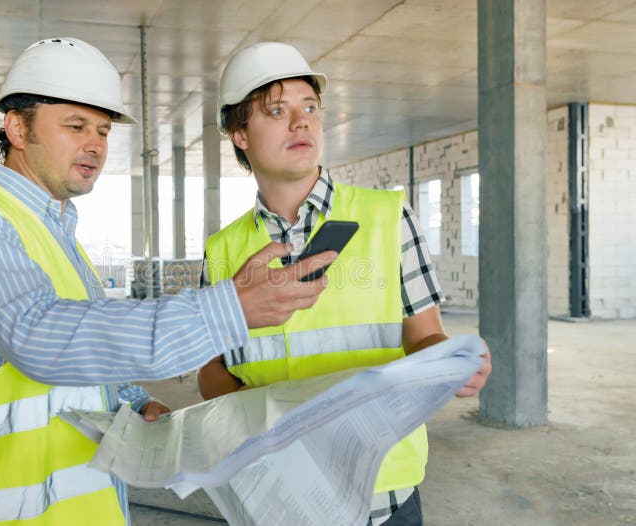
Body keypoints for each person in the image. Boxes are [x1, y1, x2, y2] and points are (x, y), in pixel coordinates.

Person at [0, 37, 336, 526]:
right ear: (16, 128)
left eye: (103, 131)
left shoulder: (56, 233)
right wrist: (226, 309)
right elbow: (39, 337)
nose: (95, 145)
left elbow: (84, 349)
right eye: (76, 126)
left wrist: (131, 401)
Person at [197, 41, 492, 526]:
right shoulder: (222, 250)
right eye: (277, 110)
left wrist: (449, 363)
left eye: (309, 107)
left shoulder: (387, 217)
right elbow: (211, 372)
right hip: (275, 491)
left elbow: (424, 336)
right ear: (239, 132)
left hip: (381, 489)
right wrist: (260, 426)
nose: (301, 122)